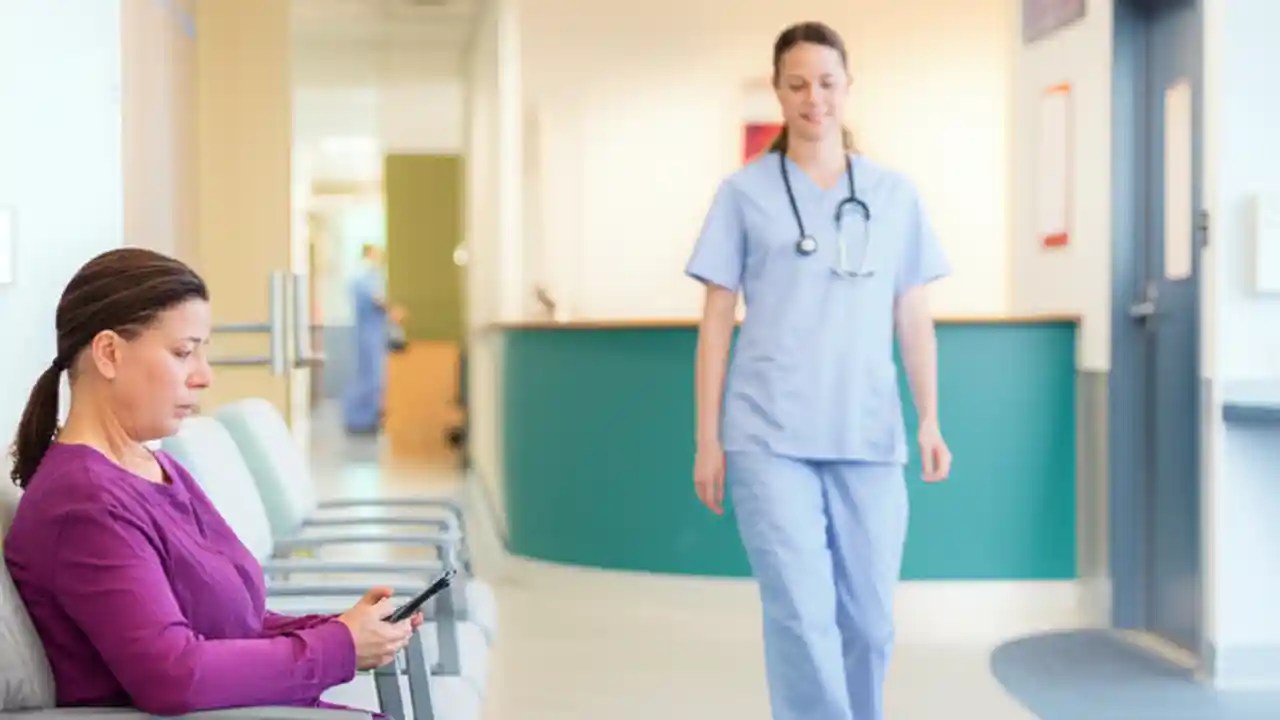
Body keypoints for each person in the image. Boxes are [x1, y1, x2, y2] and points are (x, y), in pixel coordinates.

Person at [4, 248, 422, 715]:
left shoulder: (155, 468)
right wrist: (337, 646)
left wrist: (342, 629)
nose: (204, 376)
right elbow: (174, 676)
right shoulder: (83, 503)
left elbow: (228, 624)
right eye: (184, 352)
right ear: (108, 353)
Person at [686, 21, 953, 720]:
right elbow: (716, 323)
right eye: (797, 84)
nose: (814, 98)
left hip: (867, 432)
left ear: (847, 87)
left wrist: (929, 415)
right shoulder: (742, 194)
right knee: (802, 618)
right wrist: (706, 439)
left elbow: (913, 311)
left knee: (869, 623)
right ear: (777, 90)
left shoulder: (893, 194)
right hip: (767, 434)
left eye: (827, 83)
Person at [343, 243, 405, 435]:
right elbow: (377, 299)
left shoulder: (369, 276)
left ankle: (364, 419)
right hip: (368, 334)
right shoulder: (364, 276)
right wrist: (393, 311)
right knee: (370, 378)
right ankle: (359, 420)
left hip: (371, 333)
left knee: (371, 377)